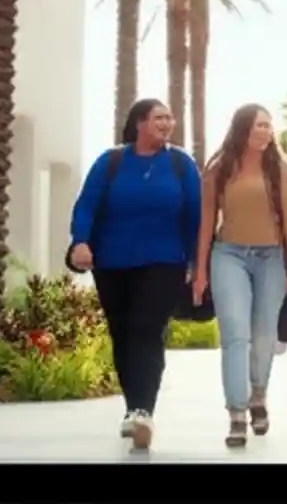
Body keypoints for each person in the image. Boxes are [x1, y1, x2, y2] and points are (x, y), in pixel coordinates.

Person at [67, 98, 202, 451]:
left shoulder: (181, 164)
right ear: (139, 123)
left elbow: (195, 216)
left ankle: (143, 410)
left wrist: (198, 263)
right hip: (112, 263)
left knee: (147, 329)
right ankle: (134, 410)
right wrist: (80, 241)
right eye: (159, 118)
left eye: (169, 118)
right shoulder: (110, 162)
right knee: (123, 333)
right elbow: (86, 204)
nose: (166, 123)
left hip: (164, 262)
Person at [192, 104, 287, 448]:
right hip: (229, 256)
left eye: (269, 126)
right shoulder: (220, 167)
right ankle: (237, 412)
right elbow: (206, 222)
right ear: (243, 128)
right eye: (260, 125)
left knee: (264, 334)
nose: (266, 131)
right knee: (235, 334)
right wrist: (200, 272)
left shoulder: (278, 168)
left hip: (271, 258)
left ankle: (258, 395)